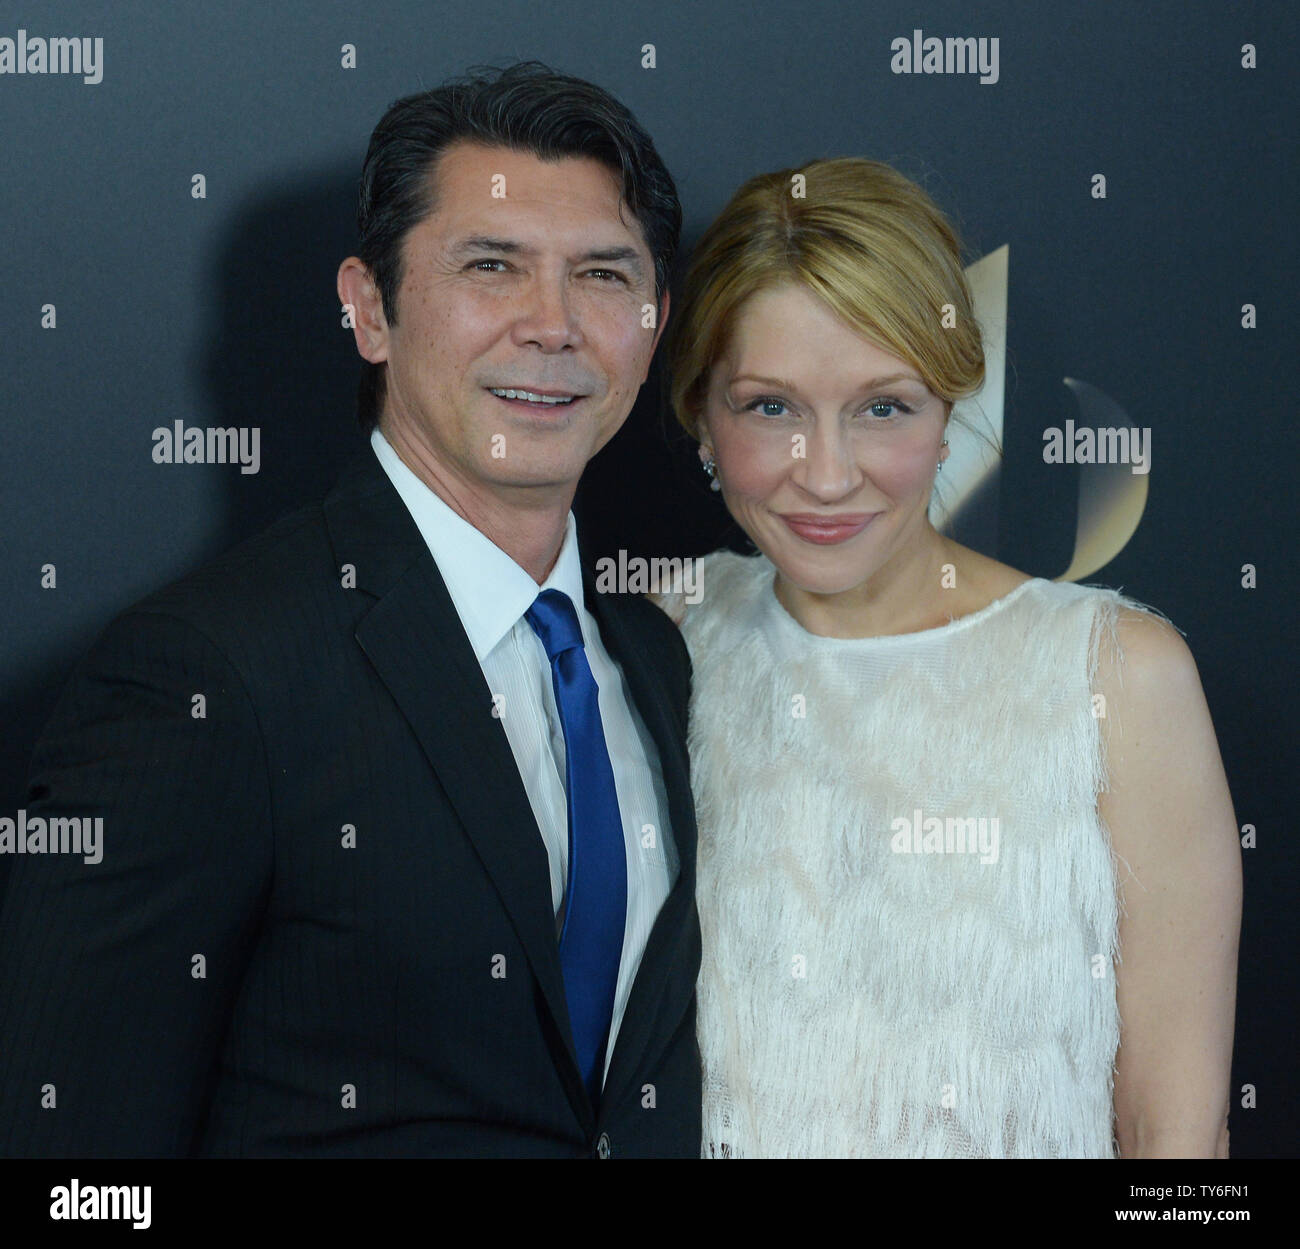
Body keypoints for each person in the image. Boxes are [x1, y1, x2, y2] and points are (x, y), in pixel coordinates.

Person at [0, 62, 701, 1158]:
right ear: (369, 309)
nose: (553, 325)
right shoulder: (207, 673)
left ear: (651, 329)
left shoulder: (658, 663)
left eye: (604, 277)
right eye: (491, 265)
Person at [656, 156, 1241, 1158]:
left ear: (950, 410)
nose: (827, 475)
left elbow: (1177, 1136)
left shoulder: (1115, 674)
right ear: (701, 415)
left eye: (883, 407)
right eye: (769, 408)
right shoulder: (655, 643)